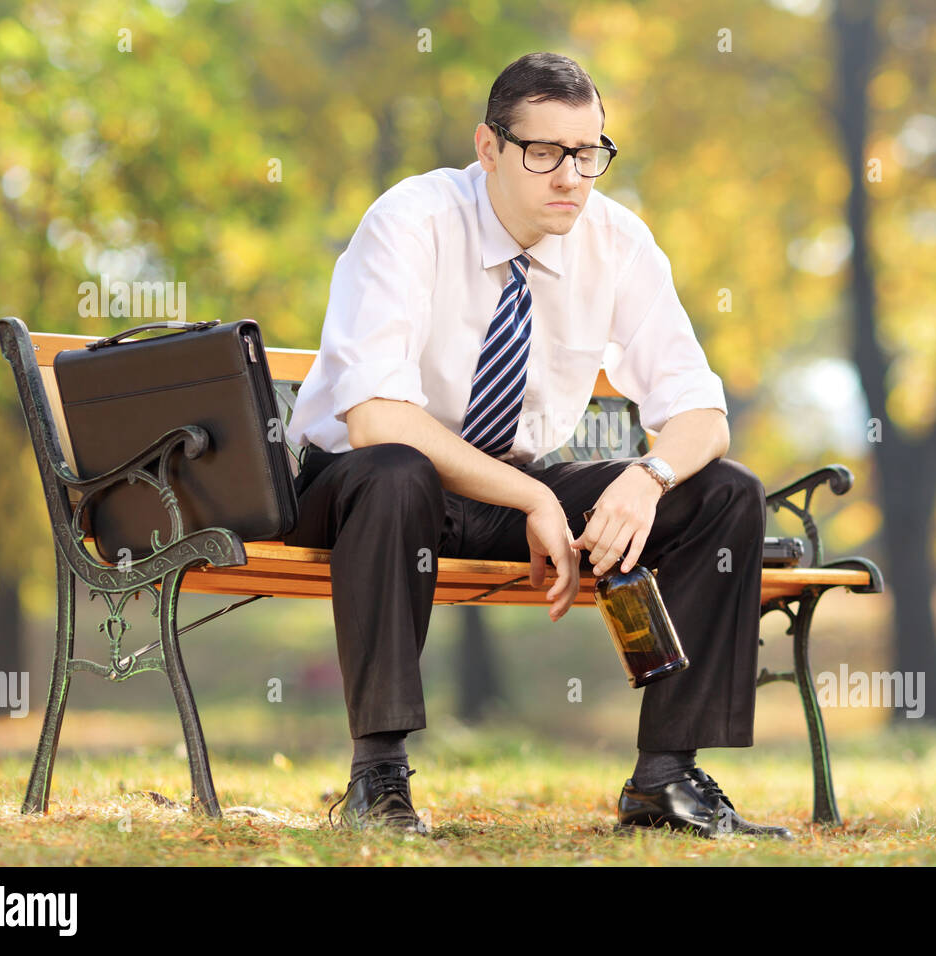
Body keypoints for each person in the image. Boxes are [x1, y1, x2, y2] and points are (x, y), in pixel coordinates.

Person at [284, 51, 791, 841]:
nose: (571, 178)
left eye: (588, 154)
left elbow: (701, 412)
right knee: (397, 471)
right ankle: (378, 781)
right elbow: (377, 419)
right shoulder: (410, 221)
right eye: (545, 153)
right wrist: (534, 497)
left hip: (512, 491)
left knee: (724, 490)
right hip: (357, 491)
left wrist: (648, 478)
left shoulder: (616, 242)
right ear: (488, 148)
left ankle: (665, 780)